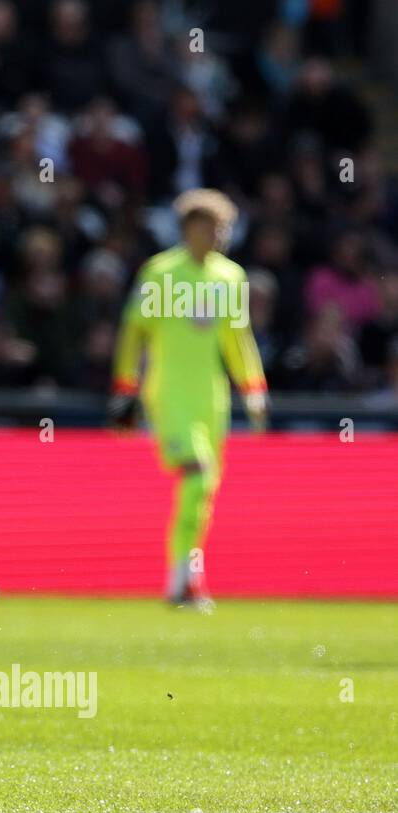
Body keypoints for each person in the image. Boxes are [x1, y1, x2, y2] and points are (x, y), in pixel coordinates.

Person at [110, 188, 267, 609]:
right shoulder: (160, 272)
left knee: (205, 491)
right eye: (211, 226)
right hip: (169, 393)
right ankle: (184, 581)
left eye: (224, 227)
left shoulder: (230, 277)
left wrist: (253, 389)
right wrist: (125, 389)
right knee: (197, 476)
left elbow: (238, 339)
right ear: (188, 229)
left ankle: (183, 580)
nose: (219, 235)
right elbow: (133, 331)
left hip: (211, 398)